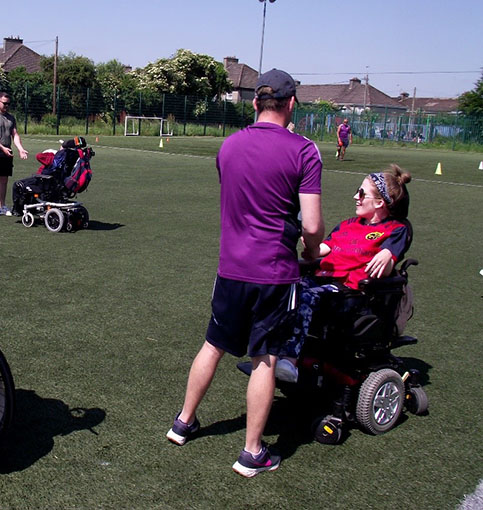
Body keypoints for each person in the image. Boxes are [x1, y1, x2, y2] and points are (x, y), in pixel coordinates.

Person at [166, 69, 324, 478]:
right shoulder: (304, 151)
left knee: (213, 344)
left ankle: (183, 422)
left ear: (254, 103)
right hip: (273, 272)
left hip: (231, 268)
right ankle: (252, 451)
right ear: (292, 104)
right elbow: (310, 226)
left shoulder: (229, 146)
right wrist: (310, 253)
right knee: (265, 358)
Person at [275, 165, 412, 382]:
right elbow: (323, 250)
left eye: (361, 193)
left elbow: (394, 250)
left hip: (352, 293)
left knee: (307, 295)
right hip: (324, 279)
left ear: (379, 203)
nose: (355, 197)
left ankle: (288, 360)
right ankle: (272, 349)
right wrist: (310, 244)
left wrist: (388, 253)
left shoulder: (395, 229)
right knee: (282, 286)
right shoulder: (347, 225)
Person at [0, 91, 28, 218]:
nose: (7, 106)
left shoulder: (11, 118)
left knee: (4, 180)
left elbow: (15, 135)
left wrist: (20, 149)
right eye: (5, 103)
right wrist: (2, 148)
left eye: (9, 104)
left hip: (7, 154)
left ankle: (1, 206)